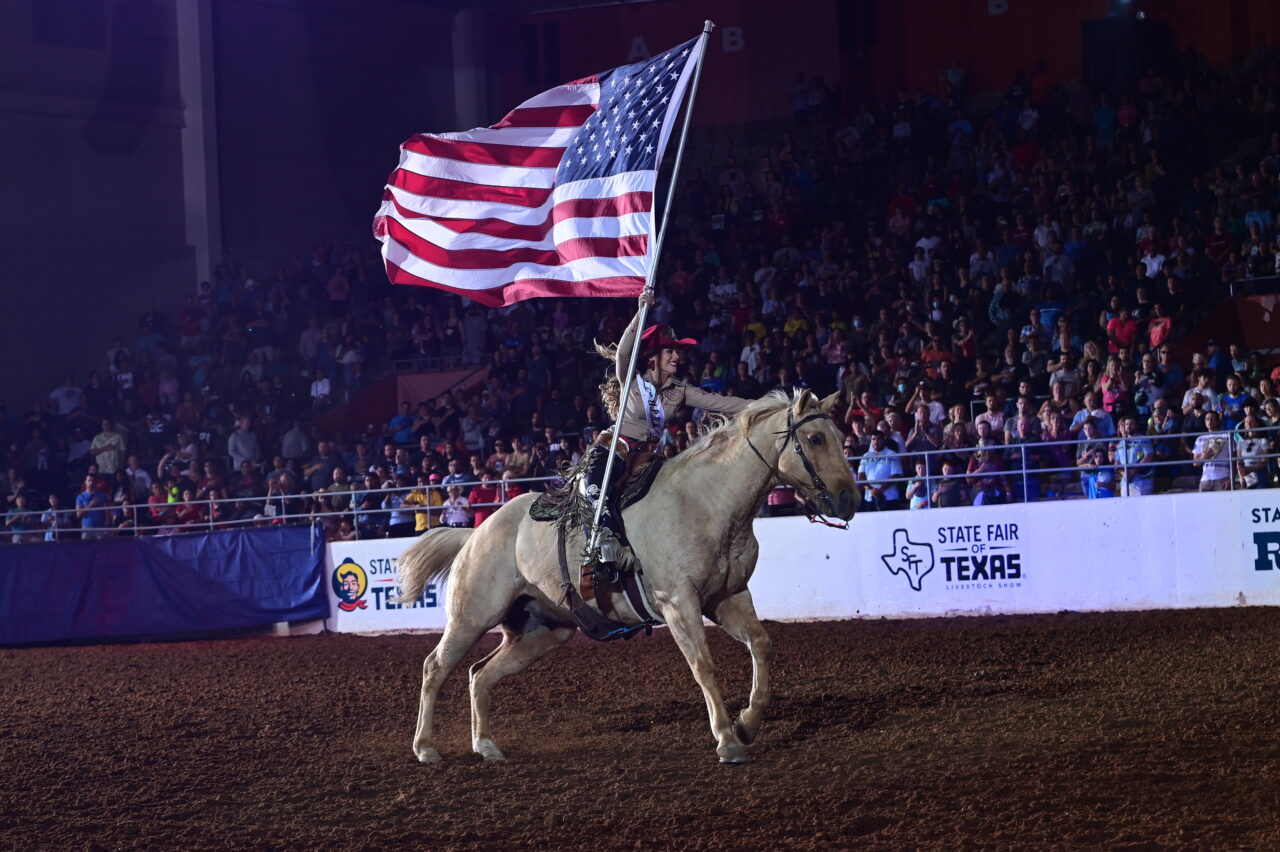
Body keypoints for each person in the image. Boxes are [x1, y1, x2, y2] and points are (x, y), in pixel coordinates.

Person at [584, 292, 752, 574]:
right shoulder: (631, 380)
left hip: (648, 458)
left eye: (677, 351)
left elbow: (722, 403)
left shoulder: (680, 390)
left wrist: (767, 405)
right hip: (616, 447)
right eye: (670, 351)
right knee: (595, 488)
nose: (677, 356)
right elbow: (624, 352)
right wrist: (641, 310)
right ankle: (601, 554)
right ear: (652, 357)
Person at [1192, 410, 1231, 492]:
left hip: (1223, 477)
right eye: (1207, 419)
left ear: (1218, 421)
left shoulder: (1226, 436)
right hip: (1205, 479)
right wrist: (1203, 457)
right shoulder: (1200, 438)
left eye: (1213, 419)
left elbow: (1234, 459)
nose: (1210, 421)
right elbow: (1195, 463)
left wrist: (1230, 478)